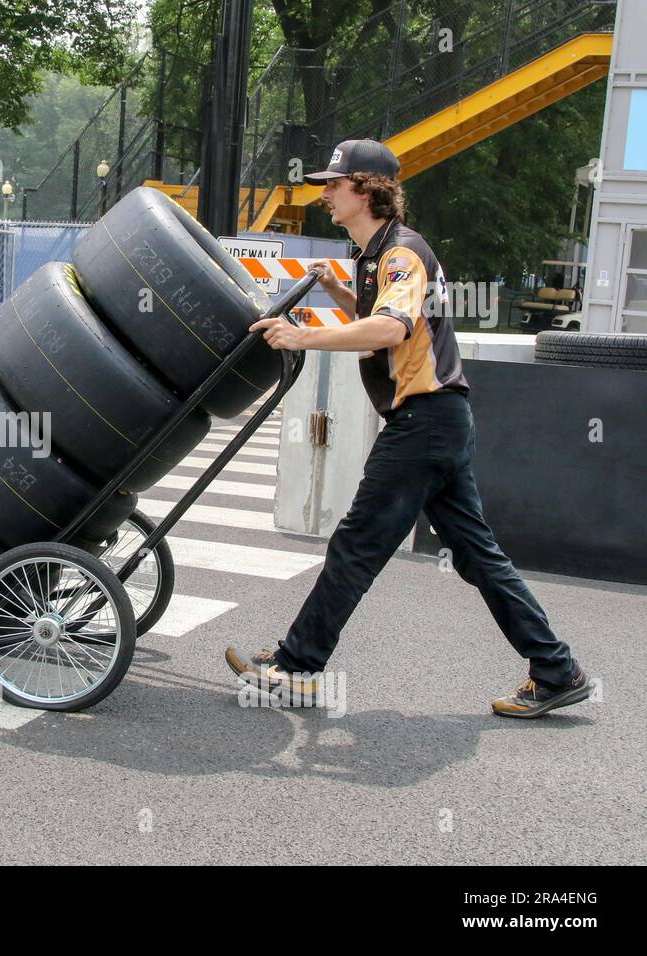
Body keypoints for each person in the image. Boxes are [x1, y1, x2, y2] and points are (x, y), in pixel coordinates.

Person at [225, 139, 590, 719]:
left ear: (368, 189)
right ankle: (556, 670)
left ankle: (297, 667)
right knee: (476, 555)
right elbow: (390, 322)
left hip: (422, 424)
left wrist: (303, 336)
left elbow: (392, 331)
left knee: (357, 544)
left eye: (335, 184)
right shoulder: (376, 257)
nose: (325, 194)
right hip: (438, 421)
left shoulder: (401, 255)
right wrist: (343, 293)